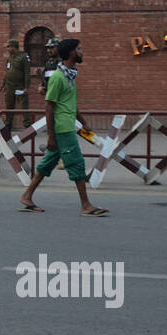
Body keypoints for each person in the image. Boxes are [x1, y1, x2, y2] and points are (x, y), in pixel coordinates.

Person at [18, 38, 106, 216]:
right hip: (62, 128)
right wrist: (51, 136)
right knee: (76, 164)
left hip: (66, 125)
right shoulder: (58, 77)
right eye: (79, 49)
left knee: (47, 164)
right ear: (72, 53)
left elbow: (70, 103)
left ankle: (27, 196)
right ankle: (86, 205)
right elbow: (49, 106)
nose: (81, 51)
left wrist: (83, 122)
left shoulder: (69, 75)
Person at [0, 39, 30, 130]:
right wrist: (3, 84)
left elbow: (27, 73)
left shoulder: (24, 57)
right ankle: (8, 124)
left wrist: (26, 87)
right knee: (9, 105)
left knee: (23, 105)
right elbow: (8, 71)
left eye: (9, 47)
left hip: (20, 86)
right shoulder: (10, 58)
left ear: (14, 47)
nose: (7, 49)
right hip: (9, 86)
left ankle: (27, 125)